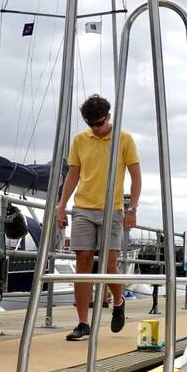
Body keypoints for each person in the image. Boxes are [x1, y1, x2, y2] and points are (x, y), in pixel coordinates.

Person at [55, 94, 141, 341]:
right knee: (82, 264)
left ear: (109, 117)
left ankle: (118, 300)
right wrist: (62, 207)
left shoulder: (124, 139)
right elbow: (72, 175)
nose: (97, 128)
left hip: (111, 209)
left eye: (100, 123)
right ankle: (83, 323)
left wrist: (132, 209)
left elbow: (136, 176)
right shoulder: (80, 140)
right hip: (82, 207)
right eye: (92, 124)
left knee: (108, 265)